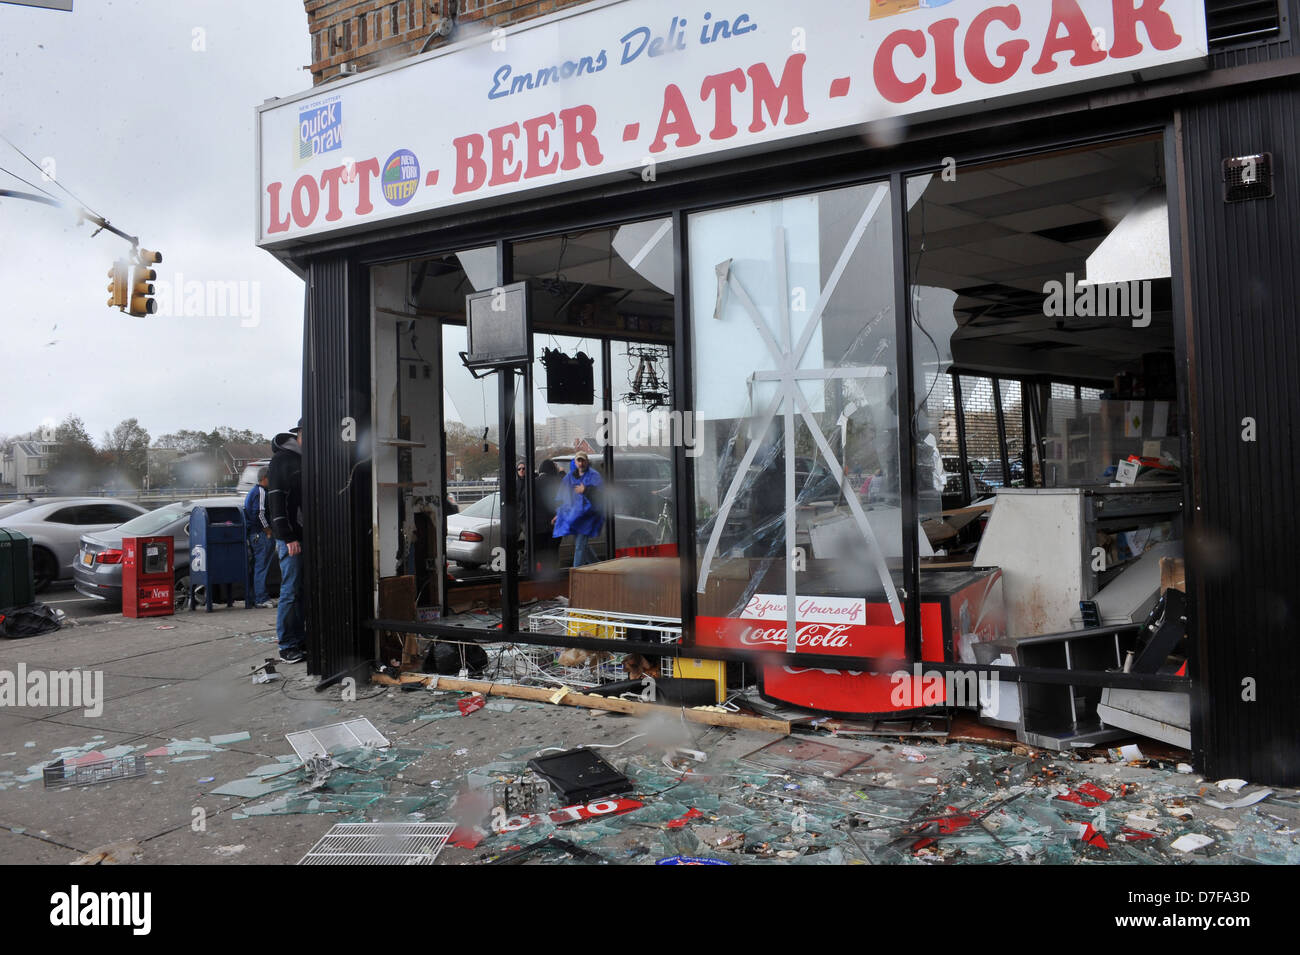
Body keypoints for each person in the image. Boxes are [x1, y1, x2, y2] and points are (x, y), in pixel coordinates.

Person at [268, 418, 305, 664]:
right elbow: (276, 500)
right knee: (290, 591)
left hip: (301, 536)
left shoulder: (302, 459)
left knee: (300, 590)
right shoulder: (283, 460)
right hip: (291, 539)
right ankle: (287, 645)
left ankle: (299, 640)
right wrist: (287, 536)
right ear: (300, 434)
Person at [553, 452, 604, 567]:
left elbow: (600, 495)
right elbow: (563, 497)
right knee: (581, 545)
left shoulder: (594, 476)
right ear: (575, 462)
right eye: (578, 461)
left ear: (587, 462)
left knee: (580, 545)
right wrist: (559, 514)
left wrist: (586, 490)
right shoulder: (569, 477)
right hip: (575, 516)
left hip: (588, 516)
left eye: (583, 460)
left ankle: (576, 572)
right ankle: (597, 565)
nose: (581, 463)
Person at [243, 466, 275, 608]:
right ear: (265, 478)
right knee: (262, 566)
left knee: (257, 567)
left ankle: (255, 596)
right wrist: (268, 531)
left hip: (254, 534)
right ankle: (261, 598)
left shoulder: (253, 492)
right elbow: (259, 513)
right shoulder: (261, 492)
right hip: (260, 534)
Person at [532, 459, 562, 576]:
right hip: (555, 524)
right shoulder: (557, 482)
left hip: (538, 525)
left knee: (541, 554)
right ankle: (553, 577)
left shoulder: (534, 483)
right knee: (553, 552)